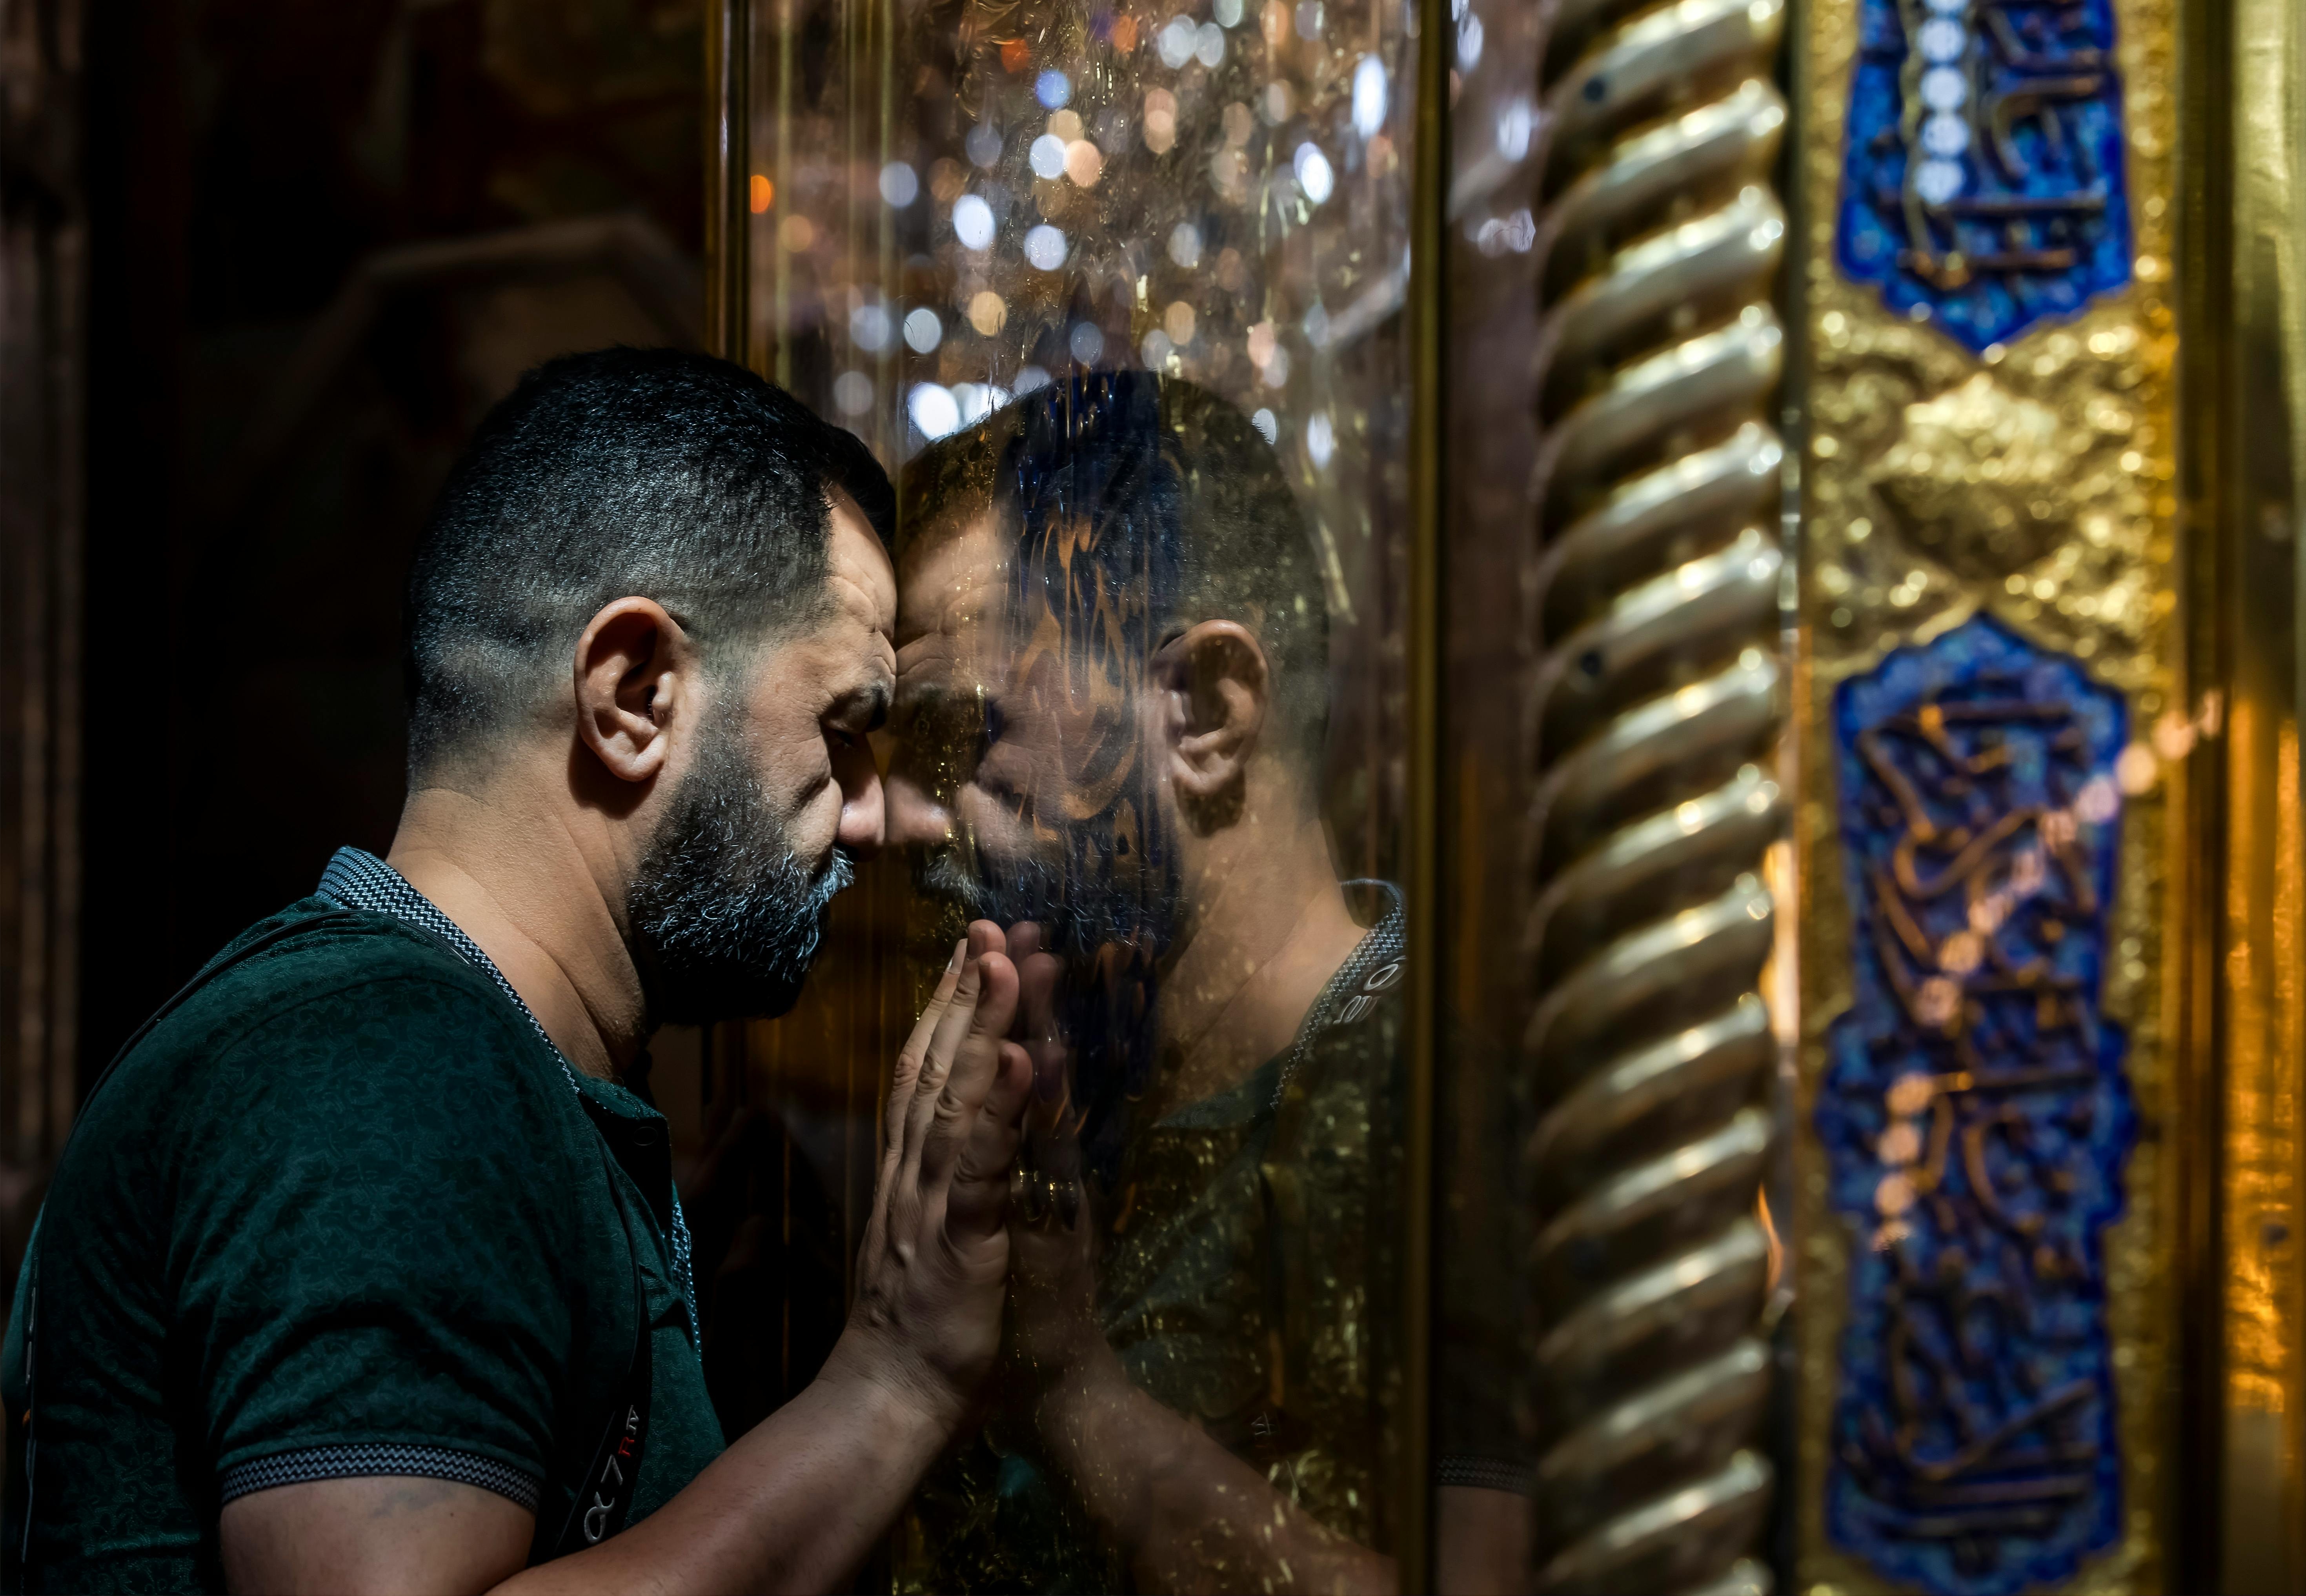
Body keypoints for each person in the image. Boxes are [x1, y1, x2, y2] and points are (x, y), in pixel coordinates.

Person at [2, 349, 1034, 1594]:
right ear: (634, 695)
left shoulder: (435, 1064)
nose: (877, 817)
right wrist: (895, 1379)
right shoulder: (389, 1067)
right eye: (845, 729)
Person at [884, 371, 1531, 1593]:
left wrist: (1076, 1395)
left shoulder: (1437, 1136)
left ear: (1205, 714)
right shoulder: (1095, 1083)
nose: (903, 817)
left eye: (964, 733)